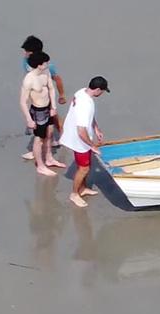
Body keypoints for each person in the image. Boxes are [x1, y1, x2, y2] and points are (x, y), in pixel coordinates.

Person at [18, 35, 67, 159]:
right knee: (46, 119)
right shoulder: (26, 61)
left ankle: (62, 136)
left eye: (27, 51)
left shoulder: (48, 66)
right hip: (35, 94)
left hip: (45, 95)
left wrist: (61, 95)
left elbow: (57, 79)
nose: (25, 54)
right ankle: (52, 139)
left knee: (51, 118)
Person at [63, 76, 108, 208]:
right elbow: (81, 131)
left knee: (84, 165)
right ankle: (74, 194)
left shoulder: (82, 92)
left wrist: (96, 128)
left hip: (79, 137)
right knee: (84, 169)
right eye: (102, 91)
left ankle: (82, 188)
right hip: (79, 141)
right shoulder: (85, 105)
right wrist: (92, 146)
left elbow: (90, 116)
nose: (102, 93)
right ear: (98, 90)